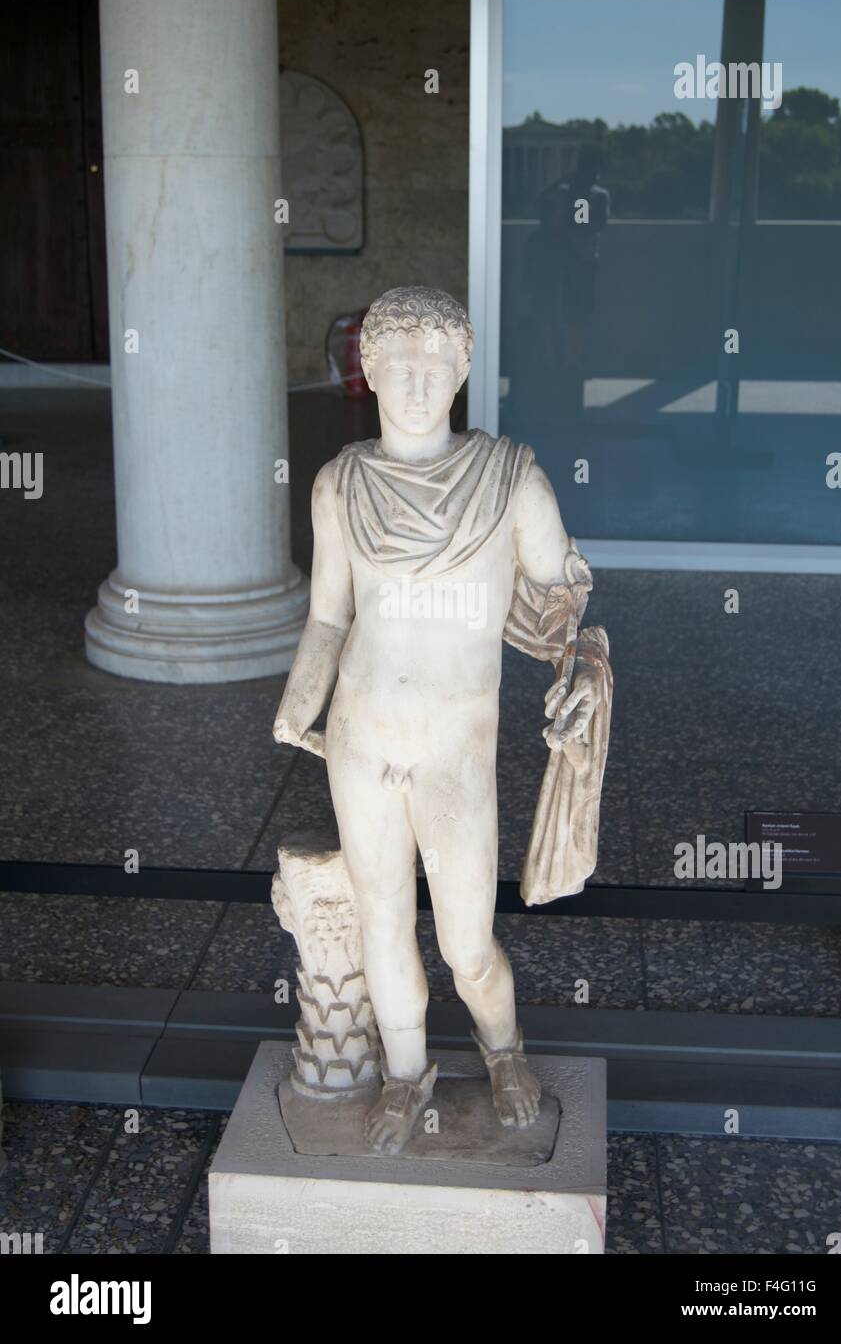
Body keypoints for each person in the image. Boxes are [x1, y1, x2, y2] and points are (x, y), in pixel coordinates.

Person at [273, 287, 603, 1153]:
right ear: (369, 371)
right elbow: (329, 618)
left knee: (465, 941)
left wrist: (581, 674)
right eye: (399, 367)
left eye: (435, 369)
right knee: (382, 914)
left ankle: (503, 1052)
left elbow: (563, 608)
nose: (417, 386)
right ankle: (404, 1072)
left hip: (457, 749)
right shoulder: (340, 485)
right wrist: (297, 702)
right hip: (362, 737)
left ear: (461, 373)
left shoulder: (508, 480)